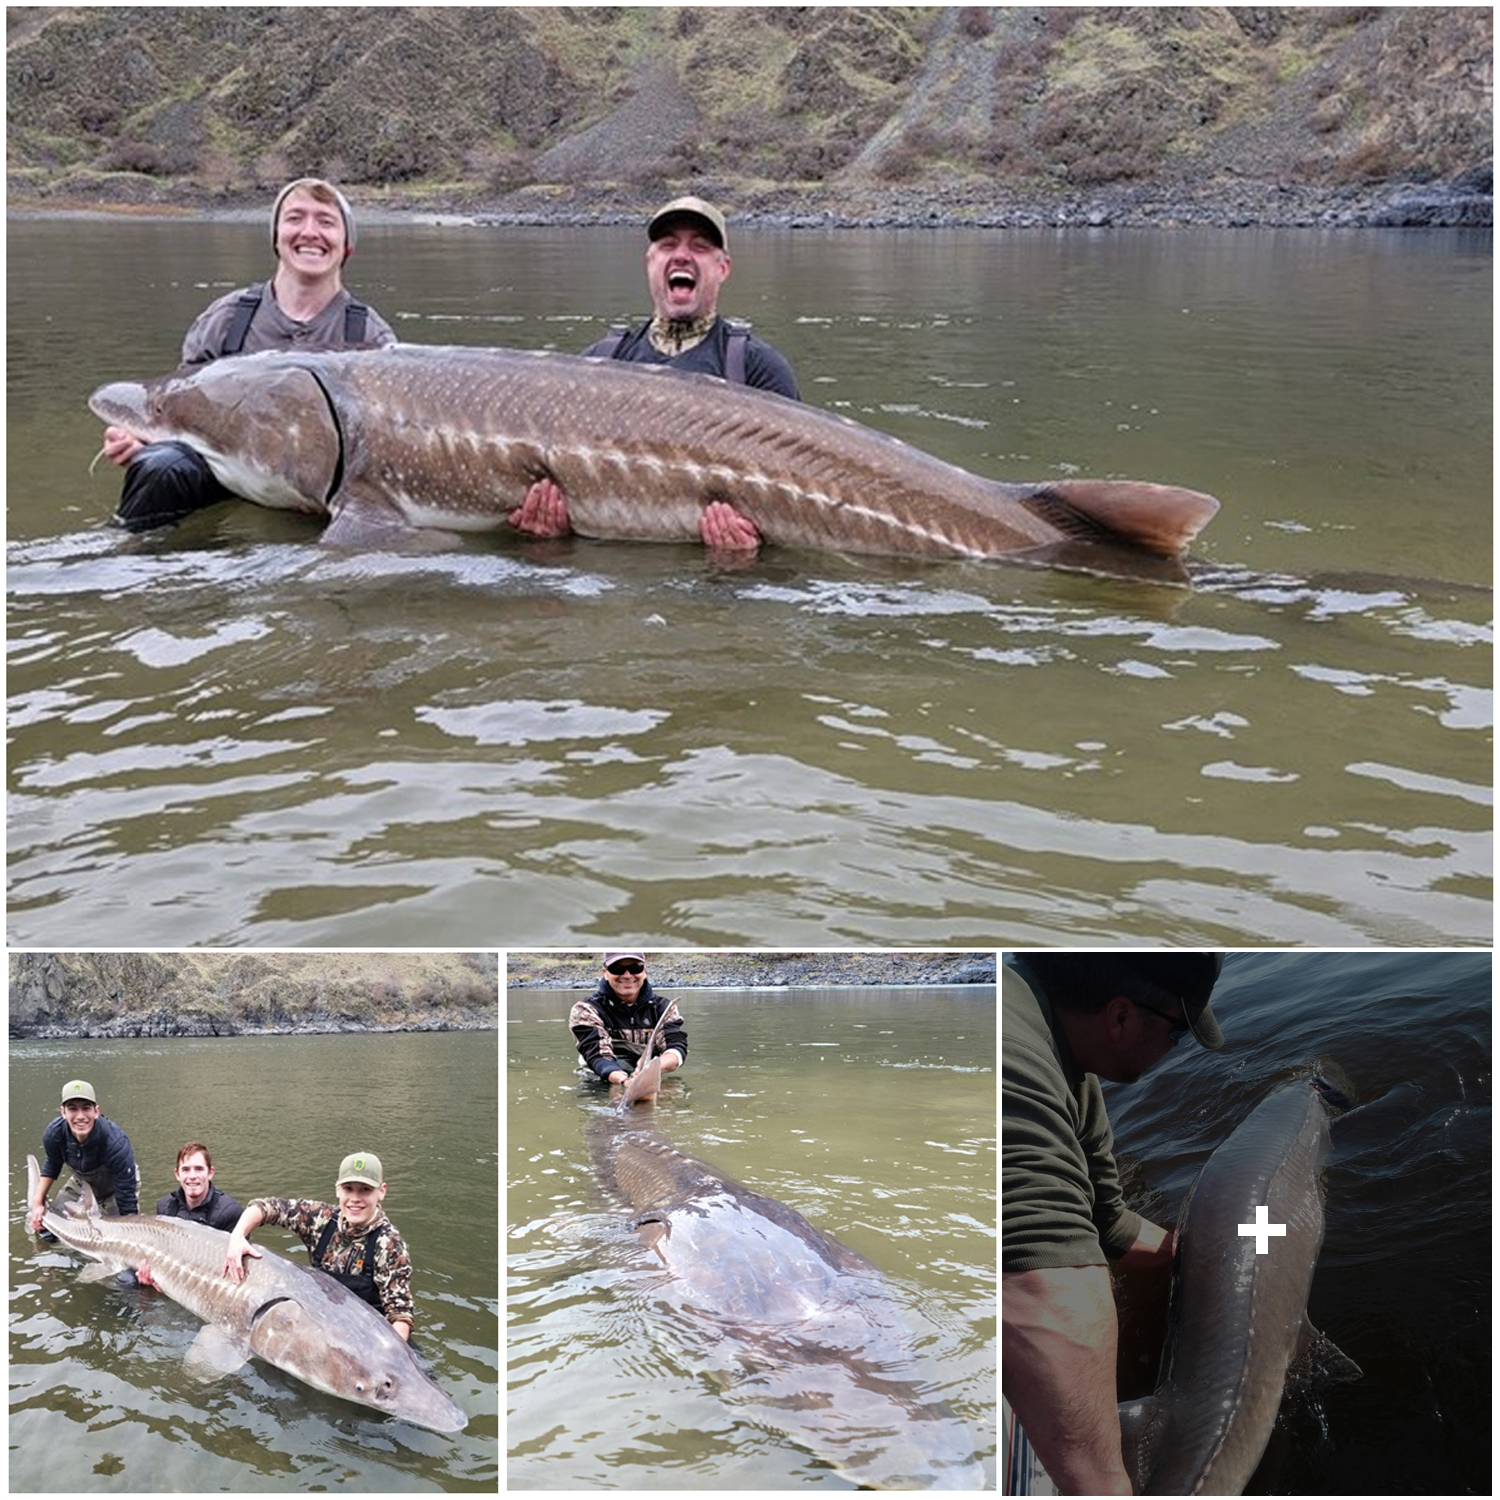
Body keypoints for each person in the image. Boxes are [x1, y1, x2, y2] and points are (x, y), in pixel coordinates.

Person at [1002, 952, 1225, 1495]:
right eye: (1177, 1035)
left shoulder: (1075, 1069)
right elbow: (1044, 1275)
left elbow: (1108, 1223)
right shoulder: (1014, 1059)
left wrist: (1216, 1254)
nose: (1176, 1053)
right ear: (1121, 1016)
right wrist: (1101, 1482)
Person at [100, 177, 397, 532]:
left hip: (323, 487)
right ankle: (142, 565)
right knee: (160, 466)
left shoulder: (370, 336)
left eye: (326, 221)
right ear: (276, 237)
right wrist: (142, 438)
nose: (309, 231)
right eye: (294, 218)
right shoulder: (227, 318)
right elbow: (180, 401)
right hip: (228, 473)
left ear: (347, 244)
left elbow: (386, 445)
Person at [511, 196, 798, 554]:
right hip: (613, 585)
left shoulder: (756, 367)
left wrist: (746, 558)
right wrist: (547, 536)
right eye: (667, 245)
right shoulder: (600, 361)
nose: (681, 255)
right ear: (650, 262)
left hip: (707, 598)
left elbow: (796, 504)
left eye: (700, 246)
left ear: (723, 268)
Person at [221, 1151, 416, 1341]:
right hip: (323, 1324)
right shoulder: (321, 1219)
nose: (355, 1198)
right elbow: (266, 1207)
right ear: (338, 1190)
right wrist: (237, 1236)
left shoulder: (389, 1245)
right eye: (349, 1188)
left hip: (368, 1338)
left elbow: (400, 1317)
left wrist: (384, 1359)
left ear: (381, 1192)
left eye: (365, 1190)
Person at [28, 1078, 140, 1233]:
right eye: (72, 1109)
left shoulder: (116, 1143)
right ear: (63, 1112)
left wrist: (131, 1233)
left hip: (116, 1187)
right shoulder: (54, 1134)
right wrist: (37, 1202)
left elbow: (127, 1200)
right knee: (49, 1229)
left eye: (86, 1108)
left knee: (121, 1233)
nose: (80, 1116)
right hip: (81, 1181)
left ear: (96, 1111)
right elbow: (53, 1164)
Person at [136, 1140, 245, 1289]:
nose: (192, 1176)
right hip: (174, 1274)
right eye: (186, 1169)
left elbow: (237, 1267)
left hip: (211, 1283)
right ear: (177, 1174)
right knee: (129, 1283)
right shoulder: (166, 1206)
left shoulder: (230, 1211)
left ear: (210, 1173)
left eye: (199, 1169)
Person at [571, 951, 688, 1085]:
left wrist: (650, 1071)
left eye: (635, 969)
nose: (627, 976)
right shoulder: (586, 1010)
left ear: (644, 971)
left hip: (648, 1076)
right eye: (617, 969)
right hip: (599, 1078)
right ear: (605, 972)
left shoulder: (664, 1008)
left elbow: (675, 1047)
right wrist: (623, 1081)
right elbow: (596, 1054)